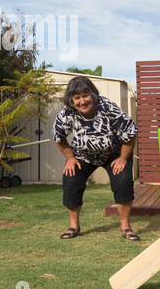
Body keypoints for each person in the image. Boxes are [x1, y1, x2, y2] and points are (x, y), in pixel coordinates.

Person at [53, 76, 139, 240]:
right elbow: (58, 137)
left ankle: (125, 226)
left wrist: (122, 158)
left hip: (113, 153)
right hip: (82, 156)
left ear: (93, 94)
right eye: (77, 98)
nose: (82, 101)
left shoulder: (108, 108)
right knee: (70, 180)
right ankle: (74, 226)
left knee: (123, 182)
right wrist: (70, 158)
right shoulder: (67, 114)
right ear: (71, 100)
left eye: (85, 95)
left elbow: (130, 133)